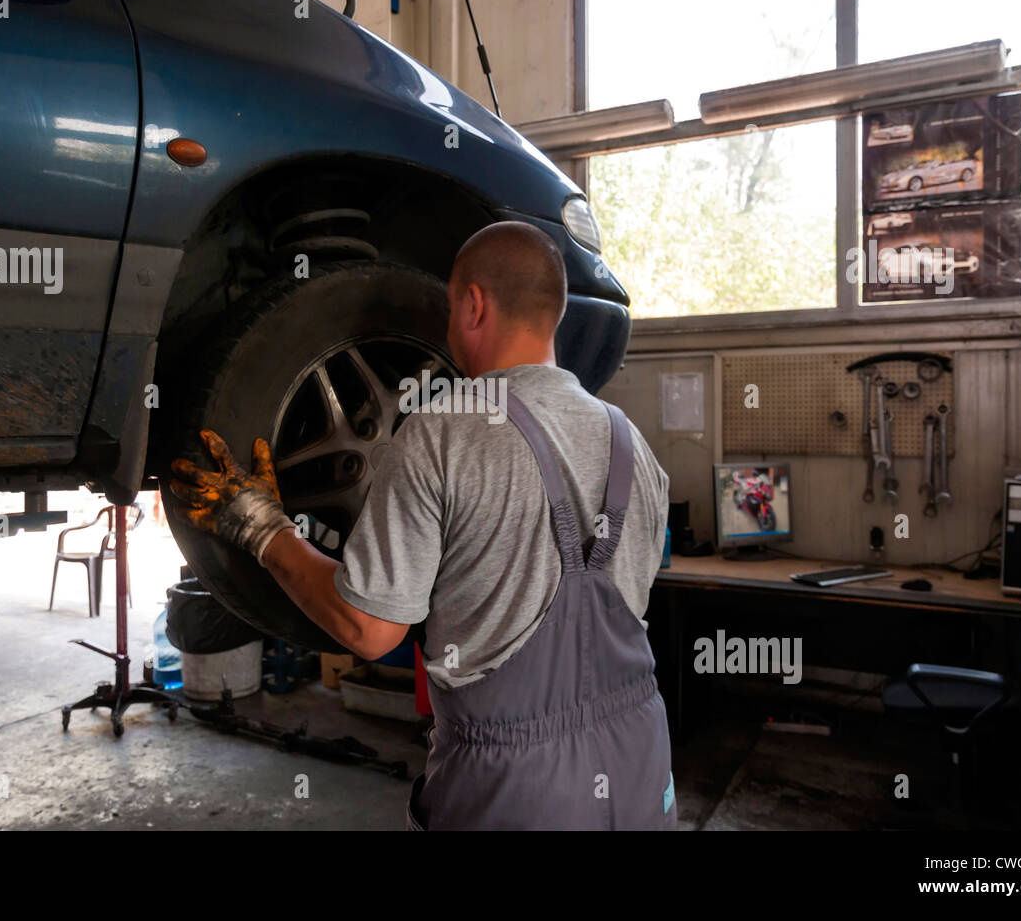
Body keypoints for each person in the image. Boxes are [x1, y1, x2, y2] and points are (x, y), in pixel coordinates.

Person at [170, 221, 674, 830]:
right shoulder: (634, 445)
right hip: (643, 760)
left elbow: (371, 628)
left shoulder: (444, 432)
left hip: (520, 790)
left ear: (472, 304)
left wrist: (263, 531)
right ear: (556, 314)